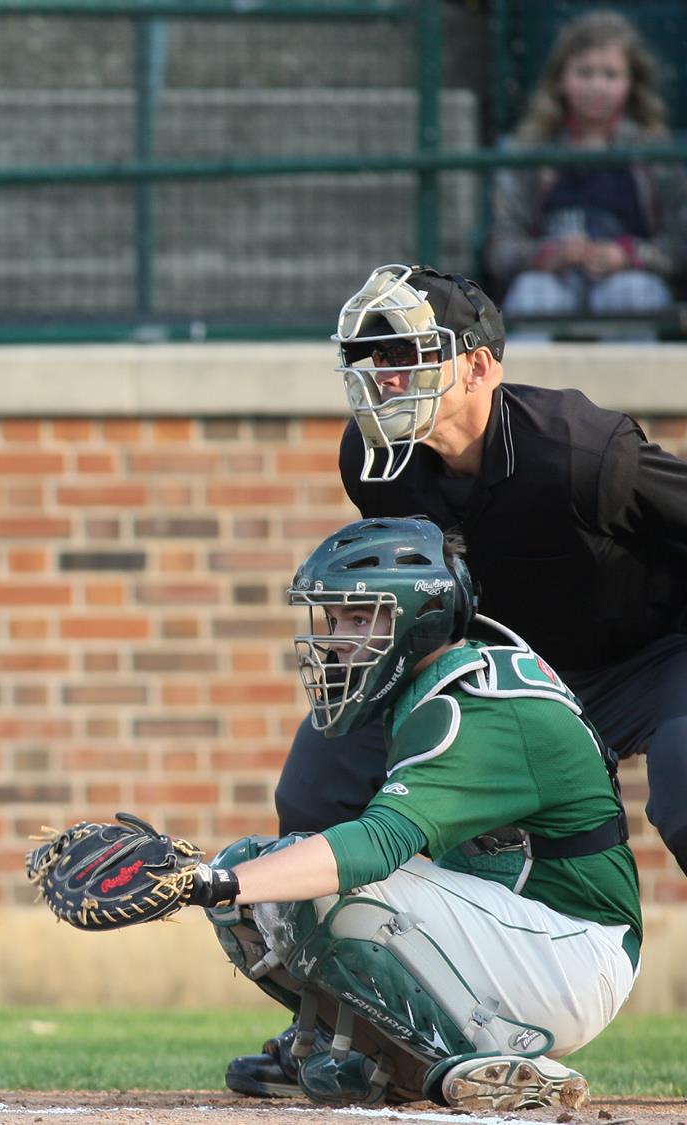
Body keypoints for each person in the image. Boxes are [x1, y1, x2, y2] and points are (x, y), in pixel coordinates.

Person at [229, 262, 687, 1099]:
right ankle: (339, 1030)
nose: (381, 377)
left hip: (650, 659)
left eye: (403, 356)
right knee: (318, 782)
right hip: (499, 672)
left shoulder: (582, 450)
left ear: (478, 365)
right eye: (370, 358)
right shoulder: (373, 459)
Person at [195, 518, 637, 1111]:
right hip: (527, 937)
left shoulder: (479, 706)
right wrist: (228, 881)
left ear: (420, 617)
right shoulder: (436, 682)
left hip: (573, 957)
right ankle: (388, 1061)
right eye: (334, 620)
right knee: (256, 877)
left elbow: (376, 847)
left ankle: (499, 1056)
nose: (335, 640)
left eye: (359, 618)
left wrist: (209, 882)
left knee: (297, 882)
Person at [484, 9, 686, 318]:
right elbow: (500, 248)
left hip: (629, 280)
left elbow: (679, 244)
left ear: (631, 82)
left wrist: (629, 255)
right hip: (551, 282)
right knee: (534, 294)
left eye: (610, 75)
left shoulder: (655, 152)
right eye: (585, 72)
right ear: (561, 78)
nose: (597, 86)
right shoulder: (527, 149)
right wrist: (550, 255)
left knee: (630, 293)